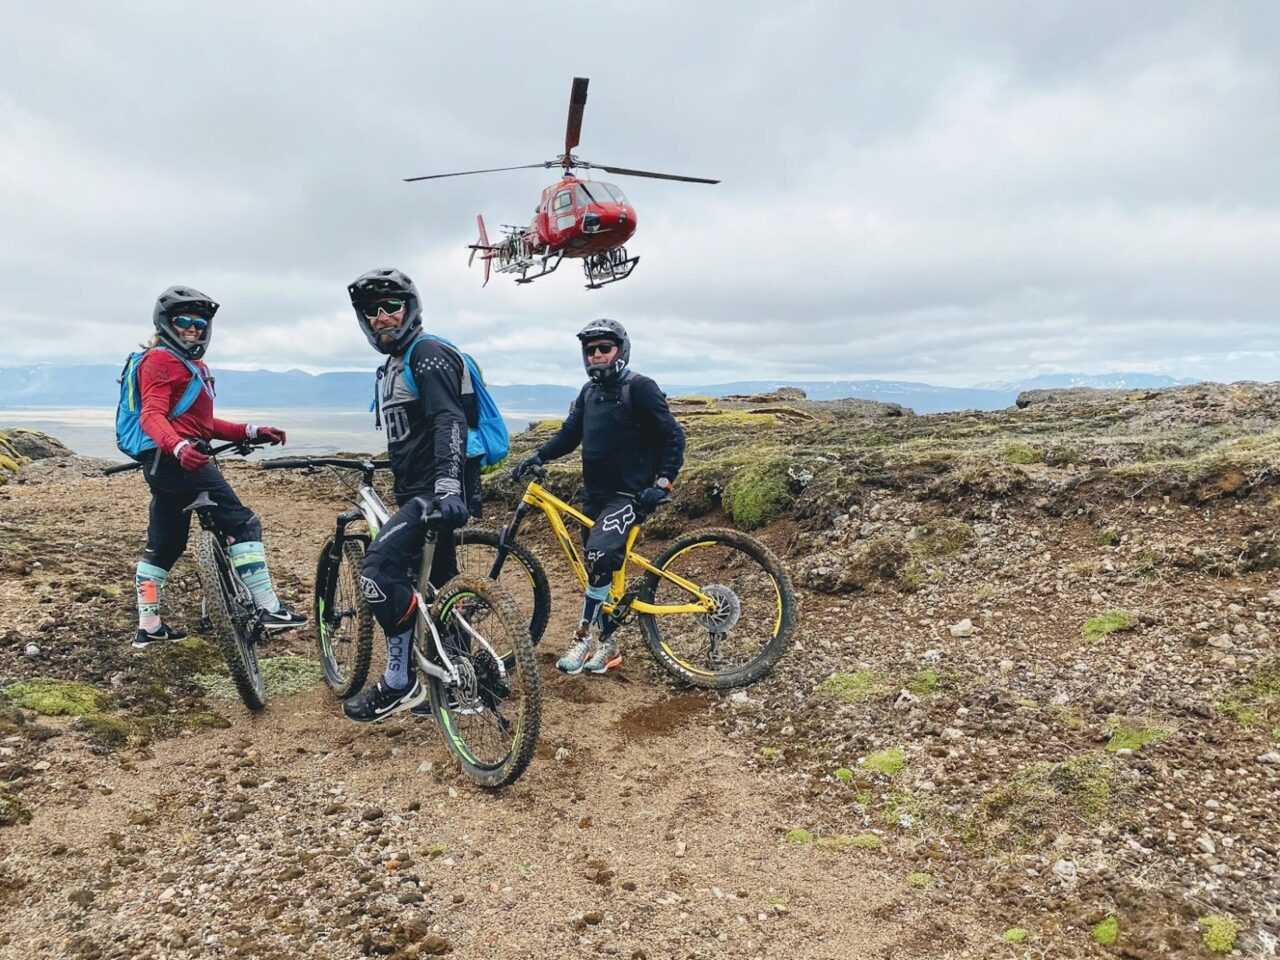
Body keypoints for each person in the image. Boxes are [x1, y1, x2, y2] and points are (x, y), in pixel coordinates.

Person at [342, 268, 481, 722]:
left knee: (378, 573)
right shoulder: (395, 364)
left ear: (411, 307)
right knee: (438, 587)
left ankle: (400, 682)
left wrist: (446, 485)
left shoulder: (427, 354)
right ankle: (465, 682)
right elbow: (414, 433)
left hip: (434, 495)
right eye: (372, 312)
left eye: (391, 307)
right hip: (425, 490)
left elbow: (450, 421)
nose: (382, 317)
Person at [131, 286, 305, 648]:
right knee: (242, 523)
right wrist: (178, 446)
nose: (193, 329)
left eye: (200, 323)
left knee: (165, 544)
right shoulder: (161, 360)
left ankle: (148, 626)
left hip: (165, 462)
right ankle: (269, 609)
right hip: (180, 460)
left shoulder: (192, 365)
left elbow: (203, 424)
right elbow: (152, 415)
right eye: (183, 322)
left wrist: (251, 431)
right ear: (166, 323)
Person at [513, 319, 685, 675]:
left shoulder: (640, 388)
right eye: (590, 350)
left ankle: (584, 638)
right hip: (596, 496)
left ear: (620, 350)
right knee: (599, 569)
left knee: (598, 555)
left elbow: (673, 436)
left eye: (604, 349)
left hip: (630, 495)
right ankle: (610, 647)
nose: (596, 356)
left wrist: (664, 482)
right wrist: (539, 455)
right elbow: (568, 435)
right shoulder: (589, 393)